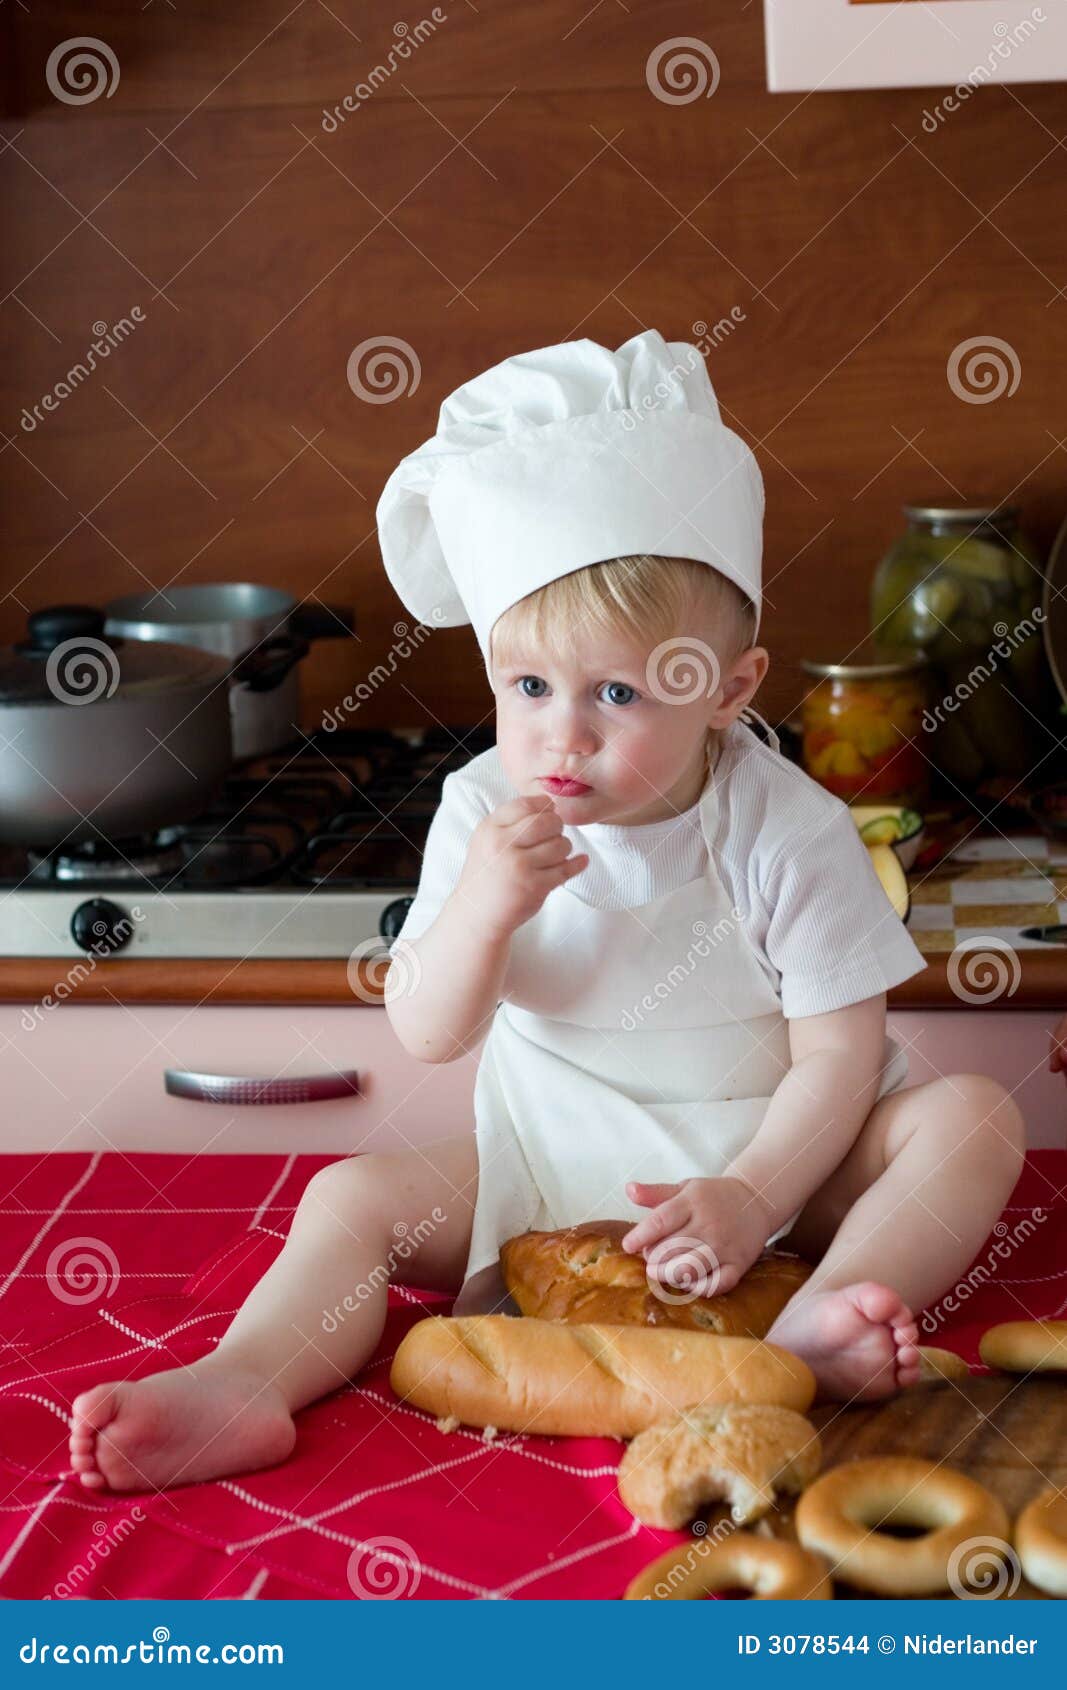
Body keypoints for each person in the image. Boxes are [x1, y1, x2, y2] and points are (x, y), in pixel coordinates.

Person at [68, 331, 1025, 1493]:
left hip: (781, 1157)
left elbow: (839, 1055)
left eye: (616, 693)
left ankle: (815, 1327)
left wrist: (752, 1195)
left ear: (727, 689)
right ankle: (252, 1376)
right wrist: (481, 906)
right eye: (527, 686)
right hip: (550, 1161)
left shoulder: (789, 826)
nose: (560, 735)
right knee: (347, 1195)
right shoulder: (481, 810)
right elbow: (428, 1030)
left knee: (971, 1118)